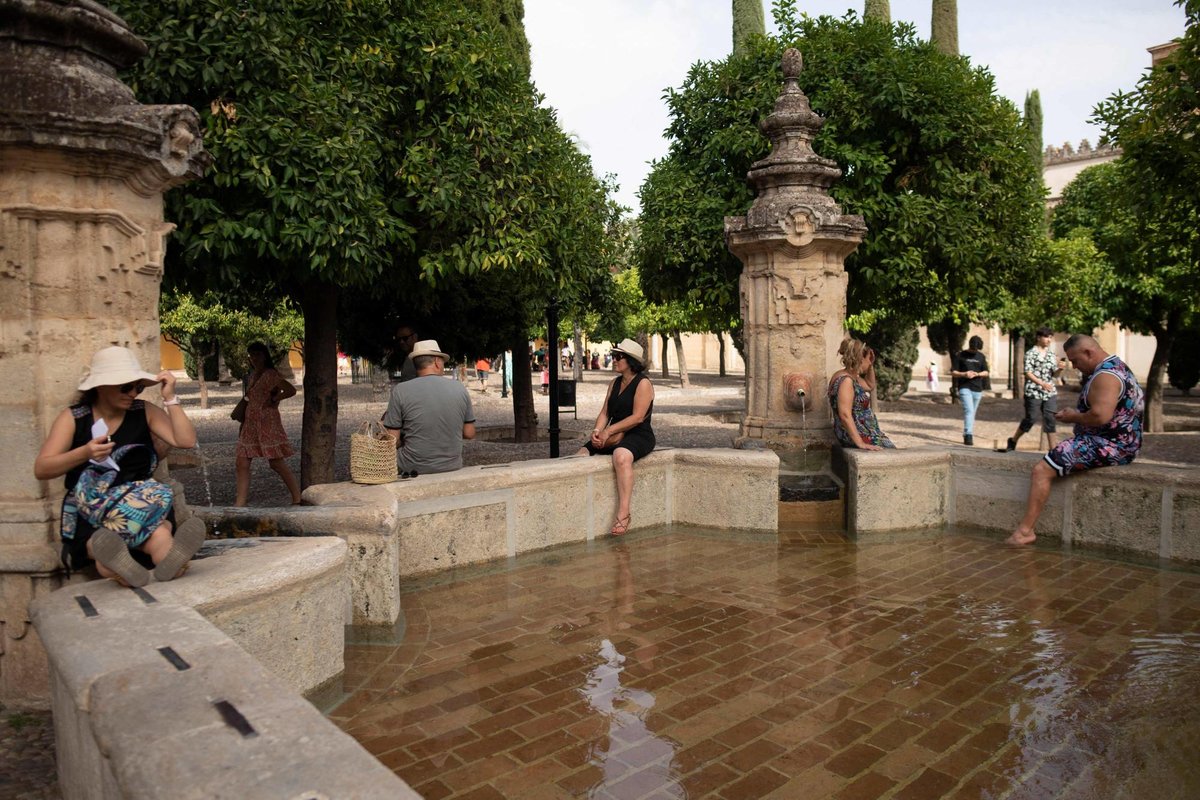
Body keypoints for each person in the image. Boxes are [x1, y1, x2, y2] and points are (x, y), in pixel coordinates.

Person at [33, 346, 207, 587]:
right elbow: (42, 469)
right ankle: (120, 564)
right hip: (93, 510)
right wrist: (85, 452)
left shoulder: (143, 411)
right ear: (101, 386)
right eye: (126, 387)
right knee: (102, 543)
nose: (133, 393)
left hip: (140, 504)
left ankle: (166, 562)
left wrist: (170, 398)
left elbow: (186, 440)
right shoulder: (74, 418)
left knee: (160, 537)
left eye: (138, 387)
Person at [1007, 334, 1144, 546]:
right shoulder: (1117, 366)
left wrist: (1073, 417)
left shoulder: (1105, 376)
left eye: (1076, 360)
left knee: (1042, 470)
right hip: (1121, 443)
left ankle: (1025, 532)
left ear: (1088, 352)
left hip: (1111, 445)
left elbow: (1100, 416)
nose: (1074, 366)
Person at [576, 338, 656, 536]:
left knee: (621, 456)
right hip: (612, 433)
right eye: (614, 356)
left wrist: (608, 431)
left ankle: (624, 513)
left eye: (618, 357)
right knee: (582, 453)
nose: (614, 360)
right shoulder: (614, 383)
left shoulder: (643, 383)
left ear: (630, 361)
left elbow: (638, 417)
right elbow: (605, 412)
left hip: (639, 434)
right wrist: (597, 432)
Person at [382, 340, 476, 474]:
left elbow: (393, 440)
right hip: (452, 464)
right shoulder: (459, 388)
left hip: (411, 466)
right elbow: (469, 433)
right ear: (437, 362)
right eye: (442, 361)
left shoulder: (400, 391)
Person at [234, 342, 301, 506]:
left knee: (276, 462)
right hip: (251, 423)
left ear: (264, 356)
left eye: (257, 354)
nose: (254, 358)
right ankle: (240, 504)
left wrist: (275, 399)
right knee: (242, 462)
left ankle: (297, 497)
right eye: (251, 355)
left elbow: (290, 390)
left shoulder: (270, 374)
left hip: (267, 422)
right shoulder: (252, 375)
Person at [1004, 326, 1068, 452]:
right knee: (1031, 418)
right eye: (1046, 337)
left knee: (1050, 418)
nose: (1049, 340)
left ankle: (1053, 450)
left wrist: (1060, 369)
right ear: (1038, 338)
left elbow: (1054, 375)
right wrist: (1041, 383)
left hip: (1049, 391)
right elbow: (1028, 373)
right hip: (1033, 391)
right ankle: (1013, 440)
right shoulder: (1030, 353)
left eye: (1050, 337)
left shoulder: (1051, 355)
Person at [827, 338, 895, 450]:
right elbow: (844, 414)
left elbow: (870, 385)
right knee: (892, 453)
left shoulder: (849, 376)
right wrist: (860, 443)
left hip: (863, 432)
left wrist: (871, 365)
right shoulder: (846, 381)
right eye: (868, 359)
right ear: (860, 359)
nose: (869, 362)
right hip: (858, 435)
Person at [951, 336, 991, 446]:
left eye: (977, 349)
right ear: (970, 345)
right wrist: (964, 374)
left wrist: (977, 374)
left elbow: (986, 372)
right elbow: (953, 372)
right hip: (964, 387)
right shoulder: (961, 355)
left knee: (972, 412)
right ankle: (968, 435)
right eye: (974, 349)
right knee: (969, 410)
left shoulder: (981, 356)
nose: (975, 351)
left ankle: (967, 433)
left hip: (977, 389)